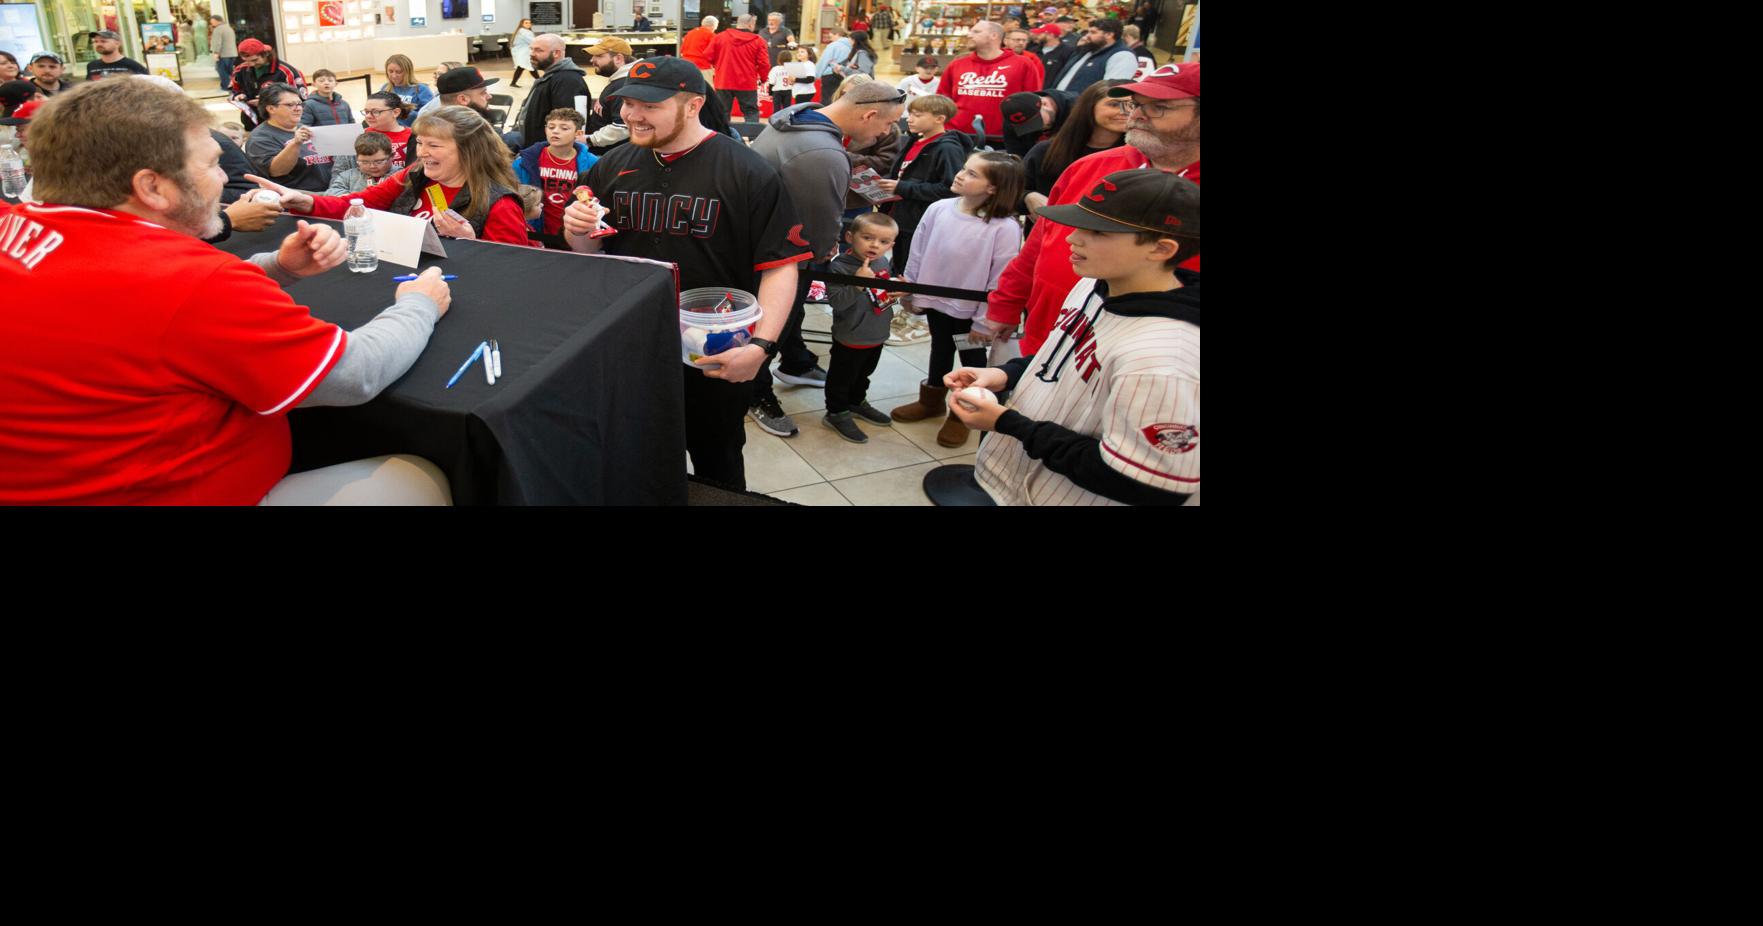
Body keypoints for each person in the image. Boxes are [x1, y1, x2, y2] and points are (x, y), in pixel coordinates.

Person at [0, 77, 455, 505]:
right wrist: (418, 304)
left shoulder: (14, 225)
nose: (223, 180)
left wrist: (275, 266)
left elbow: (138, 311)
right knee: (422, 476)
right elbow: (356, 374)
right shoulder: (191, 280)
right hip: (176, 489)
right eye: (214, 163)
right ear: (152, 187)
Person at [560, 57, 812, 490]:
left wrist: (762, 346)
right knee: (637, 455)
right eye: (627, 103)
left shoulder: (747, 171)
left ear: (694, 105)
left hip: (713, 346)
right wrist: (576, 230)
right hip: (632, 344)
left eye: (650, 105)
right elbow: (592, 250)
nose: (632, 115)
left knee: (717, 460)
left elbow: (781, 266)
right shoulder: (612, 165)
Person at [949, 170, 1199, 506]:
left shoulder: (1164, 359)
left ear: (1161, 248)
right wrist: (1005, 373)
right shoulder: (1093, 284)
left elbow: (1148, 485)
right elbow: (1060, 353)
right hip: (1023, 487)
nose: (1072, 238)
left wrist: (1008, 423)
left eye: (1097, 231)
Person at [977, 62, 1198, 358]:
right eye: (1136, 104)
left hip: (1145, 361)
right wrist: (1006, 302)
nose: (1136, 114)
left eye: (1158, 106)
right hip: (1046, 340)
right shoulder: (1091, 166)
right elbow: (1040, 242)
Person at [745, 79, 906, 438]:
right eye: (886, 123)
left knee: (789, 315)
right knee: (774, 322)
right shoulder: (823, 152)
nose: (887, 131)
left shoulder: (798, 117)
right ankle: (756, 394)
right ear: (869, 114)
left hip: (764, 238)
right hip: (780, 254)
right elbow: (818, 227)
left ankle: (797, 362)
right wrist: (826, 249)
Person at [890, 151, 1024, 448]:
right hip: (937, 301)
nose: (961, 175)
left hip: (970, 312)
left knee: (971, 360)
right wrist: (912, 287)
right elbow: (919, 249)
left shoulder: (1004, 228)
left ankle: (962, 413)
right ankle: (932, 399)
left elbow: (1000, 277)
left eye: (973, 173)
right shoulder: (939, 208)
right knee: (939, 347)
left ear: (993, 188)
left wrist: (984, 320)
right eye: (964, 168)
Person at [257, 104, 529, 246]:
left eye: (433, 145)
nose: (421, 153)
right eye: (420, 142)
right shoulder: (416, 174)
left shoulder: (500, 204)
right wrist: (304, 201)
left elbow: (513, 269)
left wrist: (471, 243)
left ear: (470, 150)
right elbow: (359, 203)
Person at [874, 94, 971, 304]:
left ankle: (913, 308)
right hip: (899, 214)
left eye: (918, 115)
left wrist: (903, 188)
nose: (910, 119)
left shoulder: (947, 148)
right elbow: (903, 174)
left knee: (912, 267)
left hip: (918, 219)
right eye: (910, 114)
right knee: (899, 263)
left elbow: (951, 189)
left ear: (939, 118)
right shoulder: (914, 140)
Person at [820, 212, 903, 443]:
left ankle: (856, 402)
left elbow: (881, 296)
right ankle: (836, 412)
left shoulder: (883, 262)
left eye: (884, 242)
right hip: (850, 335)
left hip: (876, 332)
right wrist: (858, 281)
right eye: (868, 237)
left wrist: (898, 292)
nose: (875, 245)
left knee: (864, 373)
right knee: (841, 377)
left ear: (891, 245)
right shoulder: (839, 267)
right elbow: (837, 303)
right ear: (850, 236)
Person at [1023, 80, 1128, 209]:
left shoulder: (1142, 156)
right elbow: (1011, 191)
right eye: (1114, 104)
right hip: (1050, 226)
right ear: (1089, 107)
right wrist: (1028, 196)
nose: (1125, 111)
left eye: (1133, 105)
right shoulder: (1046, 150)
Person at [513, 107, 598, 249]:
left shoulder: (592, 163)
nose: (555, 131)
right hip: (534, 232)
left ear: (578, 133)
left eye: (564, 128)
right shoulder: (524, 162)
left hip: (573, 234)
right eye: (551, 127)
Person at [936, 21, 1037, 139]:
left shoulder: (1023, 64)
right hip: (956, 136)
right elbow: (942, 100)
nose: (969, 35)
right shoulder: (957, 64)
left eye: (976, 32)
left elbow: (1032, 103)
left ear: (994, 36)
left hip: (1003, 139)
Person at [245, 83, 331, 191]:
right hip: (298, 199)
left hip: (329, 193)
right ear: (271, 108)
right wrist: (295, 144)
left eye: (300, 104)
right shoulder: (260, 138)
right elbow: (277, 171)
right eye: (290, 105)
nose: (298, 108)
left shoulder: (305, 128)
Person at [511, 34, 589, 150]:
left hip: (549, 154)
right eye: (531, 49)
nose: (532, 54)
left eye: (538, 50)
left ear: (556, 53)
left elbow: (567, 125)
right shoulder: (551, 77)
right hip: (536, 149)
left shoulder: (567, 81)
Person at [708, 14, 770, 124]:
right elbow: (764, 63)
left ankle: (724, 137)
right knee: (750, 111)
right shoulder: (758, 41)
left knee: (722, 112)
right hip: (746, 82)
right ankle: (752, 139)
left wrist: (720, 64)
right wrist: (764, 78)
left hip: (723, 80)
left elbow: (708, 56)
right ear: (751, 24)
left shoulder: (720, 37)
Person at [229, 39, 304, 130]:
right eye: (246, 61)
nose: (251, 64)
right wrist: (239, 95)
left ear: (265, 55)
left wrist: (266, 102)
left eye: (255, 60)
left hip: (280, 121)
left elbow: (300, 98)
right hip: (251, 120)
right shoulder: (240, 69)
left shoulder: (287, 71)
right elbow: (235, 89)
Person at [1050, 18, 1136, 93]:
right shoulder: (1090, 49)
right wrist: (1078, 50)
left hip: (1082, 109)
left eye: (1093, 32)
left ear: (1109, 35)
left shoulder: (1123, 56)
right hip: (1062, 105)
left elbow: (1110, 90)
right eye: (1088, 32)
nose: (1087, 36)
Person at [998, 89, 1073, 158]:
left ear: (1045, 104)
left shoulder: (1075, 111)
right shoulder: (1013, 120)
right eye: (1025, 127)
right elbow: (1017, 156)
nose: (1034, 128)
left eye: (1036, 122)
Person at [415, 65, 498, 121]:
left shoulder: (426, 126)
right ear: (463, 99)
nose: (489, 96)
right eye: (483, 93)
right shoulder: (472, 136)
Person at [324, 130, 395, 196]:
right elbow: (331, 192)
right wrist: (357, 198)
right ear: (357, 158)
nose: (372, 166)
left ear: (392, 156)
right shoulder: (347, 177)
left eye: (379, 162)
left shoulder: (400, 175)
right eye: (364, 162)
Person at [359, 91, 415, 173]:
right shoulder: (360, 135)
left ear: (395, 112)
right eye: (366, 112)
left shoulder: (414, 136)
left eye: (375, 112)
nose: (368, 116)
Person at [380, 54, 433, 128]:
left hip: (411, 130)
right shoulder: (385, 87)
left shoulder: (421, 89)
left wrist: (405, 110)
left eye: (398, 72)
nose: (394, 75)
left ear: (407, 72)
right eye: (390, 71)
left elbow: (429, 117)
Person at [815, 27, 852, 105]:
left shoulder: (833, 45)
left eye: (831, 37)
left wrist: (816, 75)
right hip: (844, 74)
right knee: (839, 99)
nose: (830, 39)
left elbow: (824, 61)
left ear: (837, 34)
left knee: (827, 100)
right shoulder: (851, 46)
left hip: (830, 75)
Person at [680, 15, 719, 85]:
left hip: (687, 64)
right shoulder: (711, 35)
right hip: (703, 66)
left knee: (690, 87)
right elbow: (715, 53)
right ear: (714, 26)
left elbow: (682, 50)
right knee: (707, 88)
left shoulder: (690, 33)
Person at [208, 16, 237, 84]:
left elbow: (217, 42)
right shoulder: (229, 28)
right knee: (231, 71)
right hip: (232, 53)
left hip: (223, 54)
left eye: (212, 21)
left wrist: (216, 53)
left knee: (222, 70)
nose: (211, 23)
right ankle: (234, 85)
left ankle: (226, 86)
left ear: (216, 20)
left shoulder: (218, 29)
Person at [508, 19, 535, 88]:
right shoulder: (523, 32)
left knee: (522, 67)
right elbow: (532, 41)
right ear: (522, 24)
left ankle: (513, 83)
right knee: (530, 66)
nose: (528, 24)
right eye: (526, 23)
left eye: (529, 23)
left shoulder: (521, 31)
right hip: (523, 52)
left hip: (522, 52)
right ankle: (541, 81)